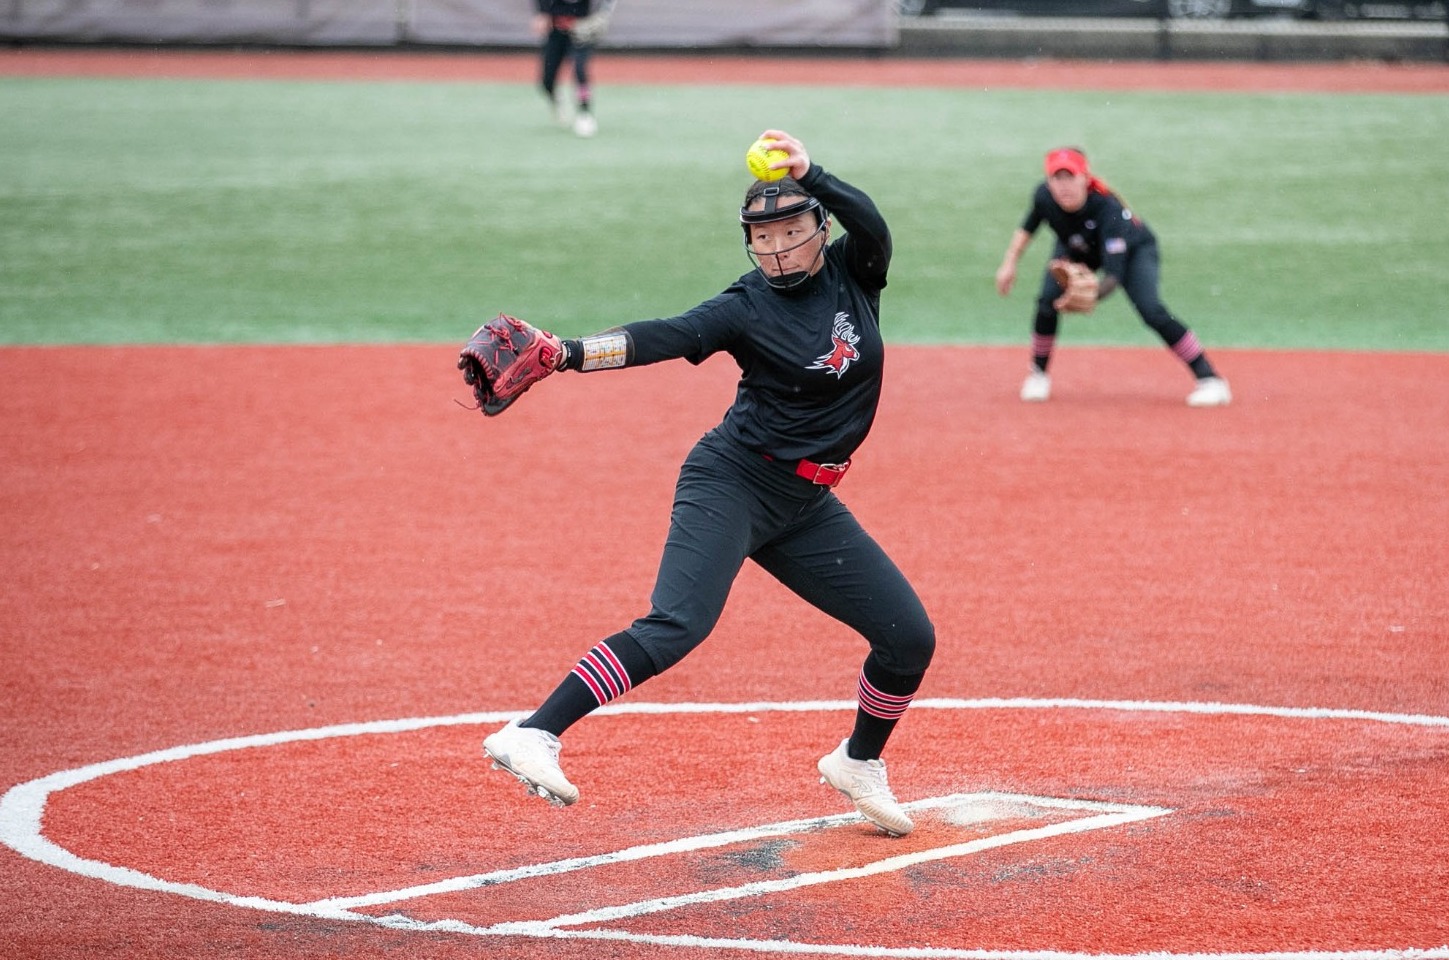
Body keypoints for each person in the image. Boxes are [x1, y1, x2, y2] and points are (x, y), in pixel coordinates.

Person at [479, 130, 936, 837]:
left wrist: (814, 171)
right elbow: (660, 335)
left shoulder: (855, 271)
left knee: (907, 638)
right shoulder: (745, 307)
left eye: (791, 228)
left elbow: (871, 220)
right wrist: (568, 353)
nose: (778, 246)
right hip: (732, 479)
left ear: (820, 228)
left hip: (806, 504)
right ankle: (534, 732)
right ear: (747, 244)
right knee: (678, 624)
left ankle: (857, 761)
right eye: (763, 235)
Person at [994, 146, 1232, 407]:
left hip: (1133, 250)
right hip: (1077, 246)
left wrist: (1088, 295)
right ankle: (1038, 375)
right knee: (1046, 301)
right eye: (1056, 178)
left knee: (1151, 310)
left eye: (1070, 177)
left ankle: (1211, 379)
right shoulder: (1044, 197)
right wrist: (1009, 264)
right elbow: (1028, 227)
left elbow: (1114, 274)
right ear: (1048, 180)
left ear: (1085, 178)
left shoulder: (1108, 210)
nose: (1063, 186)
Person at [533, 0, 615, 138]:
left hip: (581, 32)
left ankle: (585, 113)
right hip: (557, 32)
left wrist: (601, 15)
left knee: (580, 70)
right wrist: (542, 13)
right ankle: (556, 100)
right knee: (547, 80)